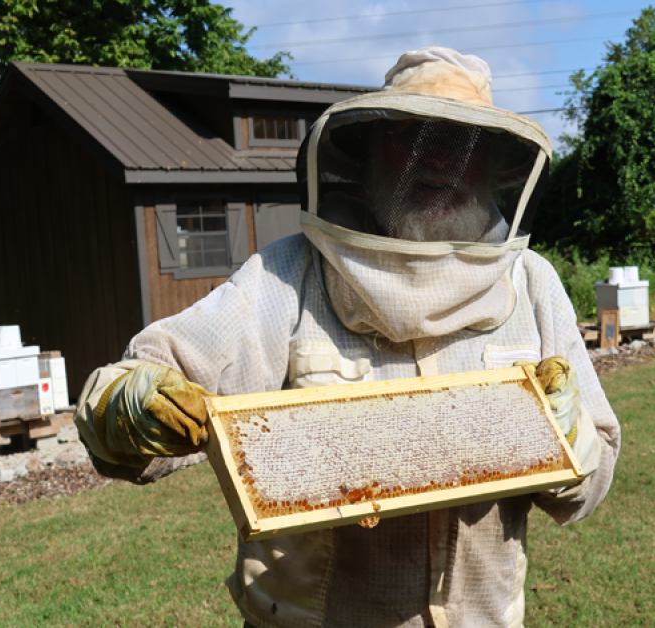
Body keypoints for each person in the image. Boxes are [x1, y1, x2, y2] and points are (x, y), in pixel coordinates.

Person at [74, 47, 620, 627]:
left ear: (494, 165)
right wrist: (126, 405)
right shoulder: (289, 274)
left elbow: (595, 478)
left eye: (464, 144)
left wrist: (569, 438)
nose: (438, 160)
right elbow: (148, 379)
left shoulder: (531, 283)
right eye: (411, 136)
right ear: (367, 154)